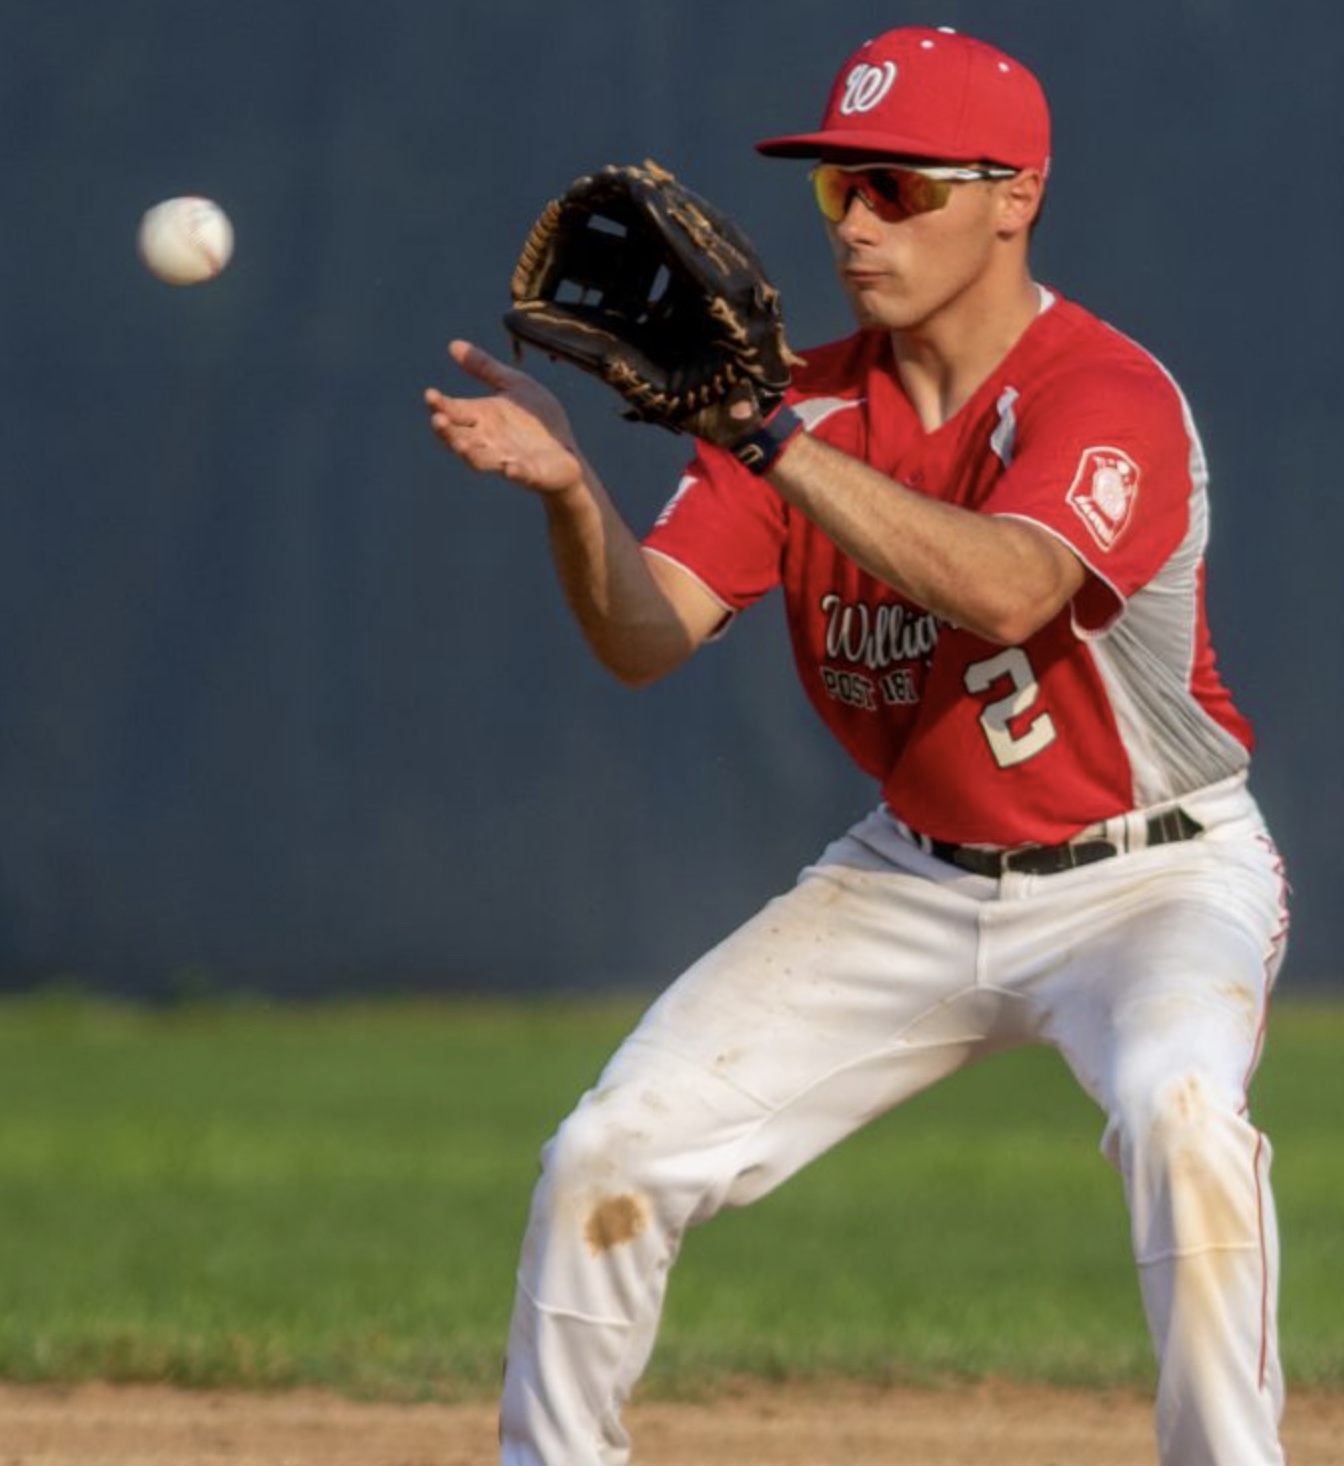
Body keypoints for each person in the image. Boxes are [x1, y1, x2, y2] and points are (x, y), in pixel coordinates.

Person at [425, 24, 1291, 1466]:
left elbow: (1009, 587)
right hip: (914, 877)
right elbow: (646, 636)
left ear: (1014, 197)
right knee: (608, 1152)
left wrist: (766, 438)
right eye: (839, 188)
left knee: (1180, 1112)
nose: (857, 224)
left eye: (900, 186)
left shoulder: (1101, 395)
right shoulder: (798, 407)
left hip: (1152, 875)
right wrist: (576, 494)